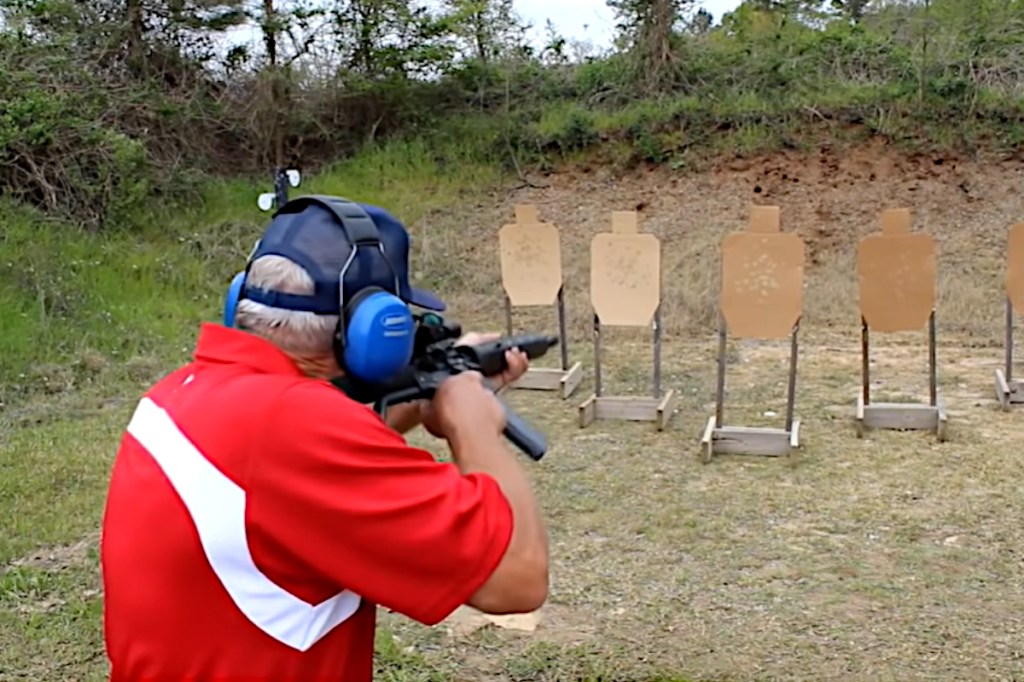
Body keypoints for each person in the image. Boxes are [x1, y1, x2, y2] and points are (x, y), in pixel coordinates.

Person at [99, 195, 550, 682]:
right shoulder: (297, 425)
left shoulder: (179, 393)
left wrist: (418, 403)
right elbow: (515, 579)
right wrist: (474, 423)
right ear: (375, 329)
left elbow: (298, 482)